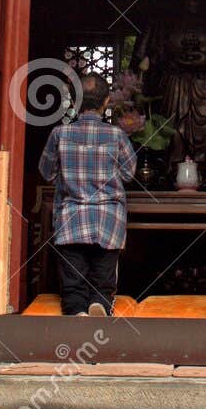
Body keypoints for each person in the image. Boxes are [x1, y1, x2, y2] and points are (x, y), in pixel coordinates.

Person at [39, 72, 136, 316]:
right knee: (104, 280)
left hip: (71, 219)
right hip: (108, 221)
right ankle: (99, 303)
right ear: (107, 102)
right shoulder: (117, 135)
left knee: (72, 284)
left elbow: (46, 172)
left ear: (74, 101)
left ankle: (77, 310)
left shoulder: (59, 134)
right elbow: (129, 174)